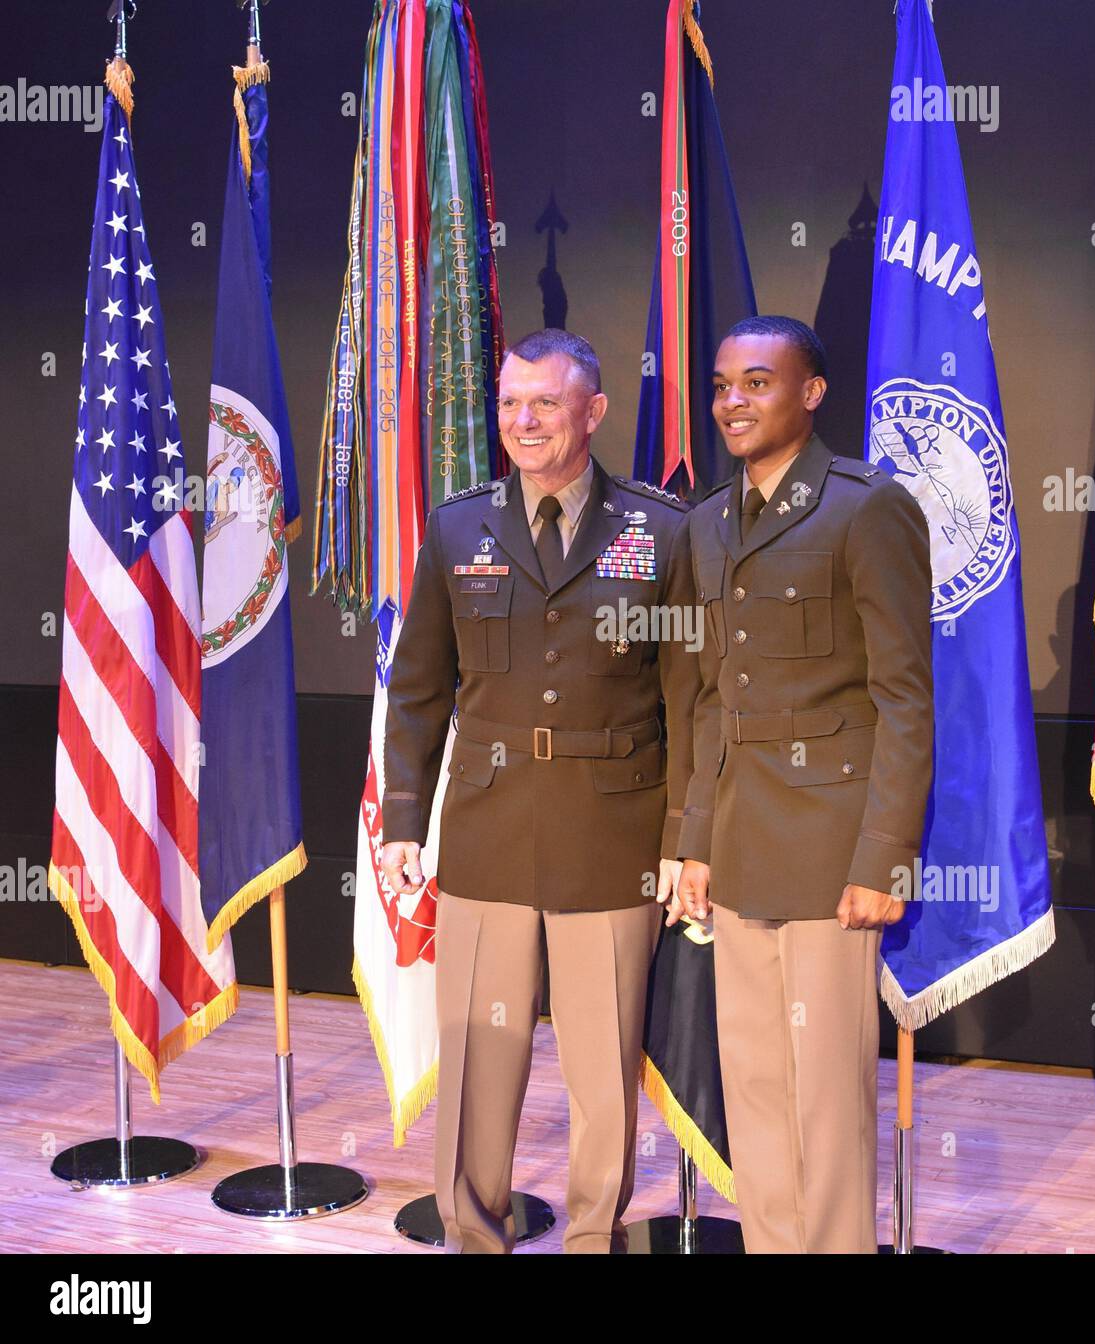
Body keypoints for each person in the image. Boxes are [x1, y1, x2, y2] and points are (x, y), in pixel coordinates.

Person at [379, 329, 697, 1253]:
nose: (522, 421)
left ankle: (595, 1236)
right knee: (483, 1057)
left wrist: (684, 836)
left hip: (614, 830)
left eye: (545, 403)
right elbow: (419, 687)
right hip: (490, 823)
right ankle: (474, 1234)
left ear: (592, 412)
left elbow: (690, 695)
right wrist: (406, 818)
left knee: (604, 1069)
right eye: (511, 403)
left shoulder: (661, 528)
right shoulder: (457, 525)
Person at [674, 315, 934, 1254]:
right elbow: (709, 700)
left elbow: (905, 700)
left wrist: (882, 859)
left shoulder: (867, 508)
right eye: (721, 385)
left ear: (811, 393)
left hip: (832, 849)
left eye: (757, 383)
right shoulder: (708, 521)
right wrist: (693, 839)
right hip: (740, 843)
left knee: (825, 1096)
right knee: (753, 1086)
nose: (732, 403)